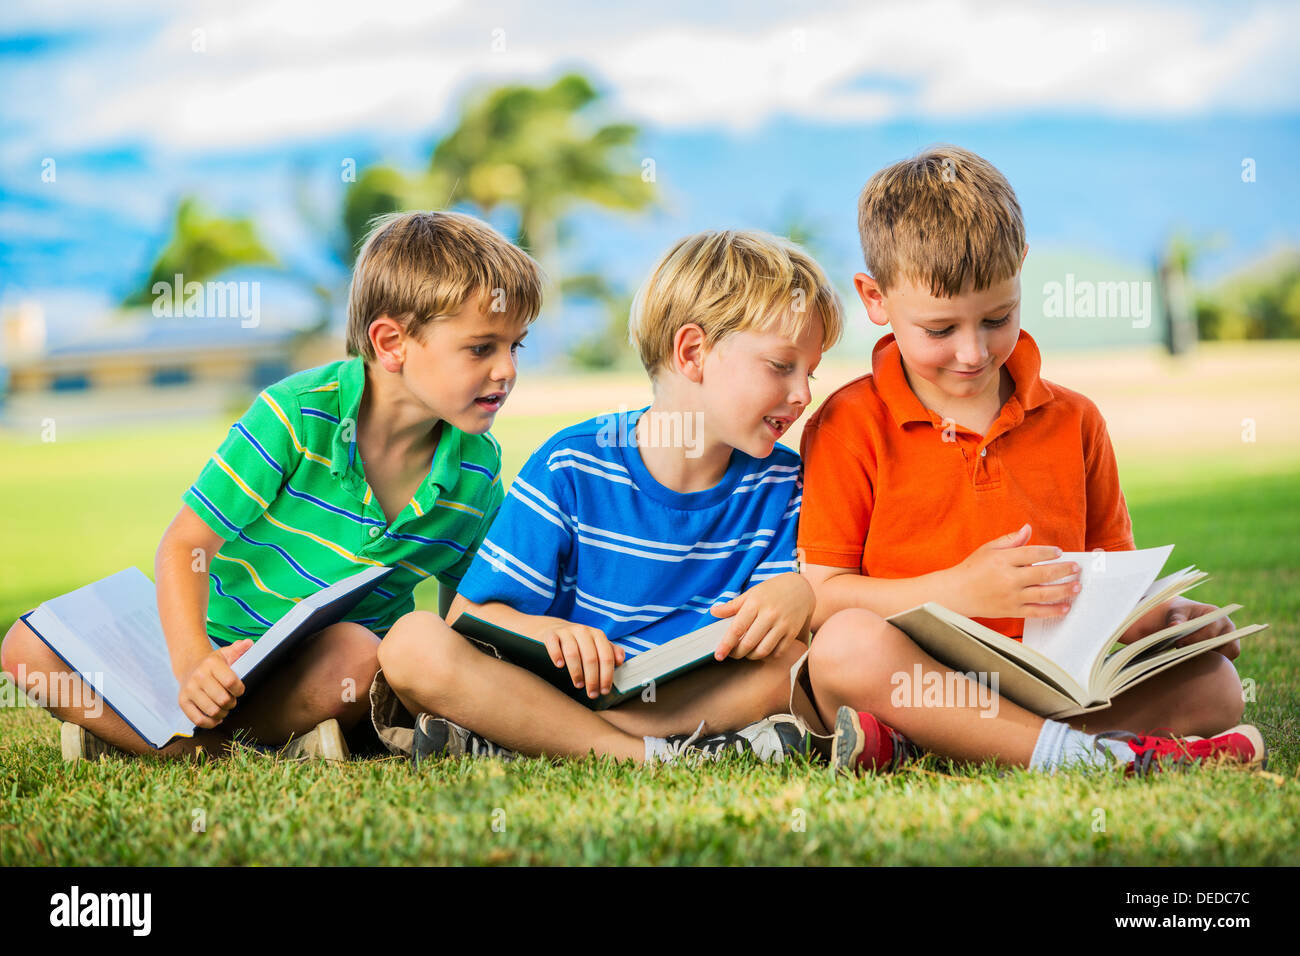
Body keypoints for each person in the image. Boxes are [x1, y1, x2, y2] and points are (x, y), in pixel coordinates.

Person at [1, 211, 543, 762]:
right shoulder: (297, 414)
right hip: (209, 657)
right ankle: (215, 741)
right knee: (24, 648)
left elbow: (465, 609)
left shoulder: (475, 472)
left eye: (515, 347)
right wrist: (193, 664)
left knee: (359, 655)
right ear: (391, 343)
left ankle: (179, 746)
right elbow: (187, 544)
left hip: (318, 675)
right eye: (481, 349)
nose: (506, 371)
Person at [797, 146, 1264, 776]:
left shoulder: (1075, 421)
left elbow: (1108, 579)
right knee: (843, 651)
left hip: (1051, 681)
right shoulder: (847, 424)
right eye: (939, 330)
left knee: (1217, 685)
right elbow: (821, 599)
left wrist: (1163, 621)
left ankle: (927, 744)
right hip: (911, 675)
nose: (972, 352)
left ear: (1021, 271)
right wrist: (958, 590)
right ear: (875, 299)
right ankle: (1077, 756)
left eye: (997, 318)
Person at [375, 230, 843, 765]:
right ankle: (649, 755)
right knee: (413, 643)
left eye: (810, 372)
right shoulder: (573, 463)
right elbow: (469, 617)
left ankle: (542, 742)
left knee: (788, 662)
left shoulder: (784, 484)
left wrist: (797, 593)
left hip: (681, 698)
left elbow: (772, 643)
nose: (804, 393)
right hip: (557, 688)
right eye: (782, 366)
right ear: (692, 353)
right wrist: (546, 629)